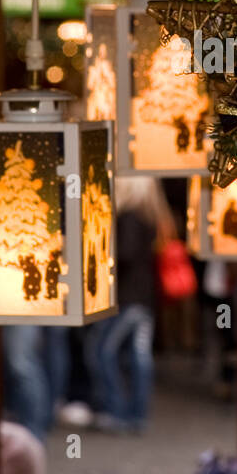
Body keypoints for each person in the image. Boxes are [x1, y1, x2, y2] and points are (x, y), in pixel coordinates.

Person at [85, 177, 169, 433]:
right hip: (143, 299)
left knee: (100, 351)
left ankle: (117, 410)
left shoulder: (129, 216)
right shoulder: (151, 216)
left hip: (127, 299)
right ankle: (137, 413)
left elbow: (126, 254)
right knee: (138, 356)